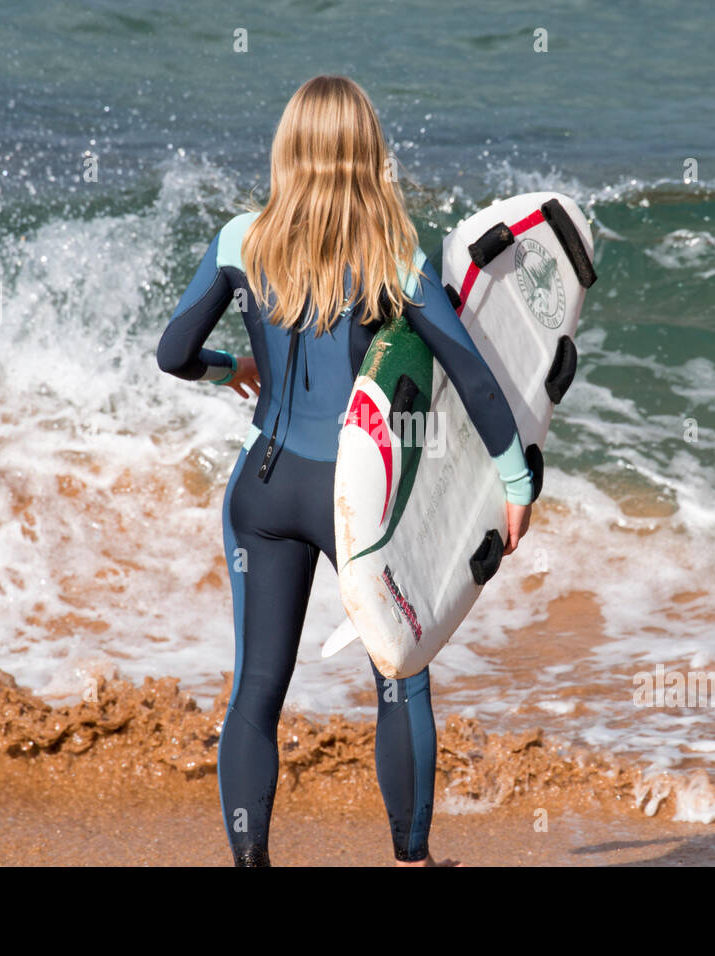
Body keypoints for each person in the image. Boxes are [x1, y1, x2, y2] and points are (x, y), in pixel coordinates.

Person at [156, 75, 533, 867]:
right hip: (354, 495)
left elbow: (172, 353)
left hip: (262, 489)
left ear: (287, 148)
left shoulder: (239, 240)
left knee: (256, 690)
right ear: (368, 153)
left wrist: (231, 371)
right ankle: (410, 861)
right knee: (401, 672)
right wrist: (516, 479)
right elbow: (467, 370)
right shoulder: (391, 251)